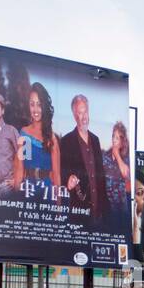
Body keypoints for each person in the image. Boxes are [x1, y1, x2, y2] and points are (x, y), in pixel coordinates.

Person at [60, 95, 109, 224]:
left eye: (85, 111)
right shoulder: (66, 141)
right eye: (79, 113)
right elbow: (61, 171)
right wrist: (67, 179)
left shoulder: (96, 140)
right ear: (74, 116)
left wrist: (106, 212)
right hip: (79, 215)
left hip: (100, 215)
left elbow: (101, 177)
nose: (84, 117)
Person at [19, 82, 60, 200]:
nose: (35, 109)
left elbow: (56, 176)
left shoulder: (52, 139)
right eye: (32, 104)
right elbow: (20, 169)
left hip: (46, 193)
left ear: (45, 106)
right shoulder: (24, 133)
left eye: (39, 104)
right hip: (27, 192)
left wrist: (58, 211)